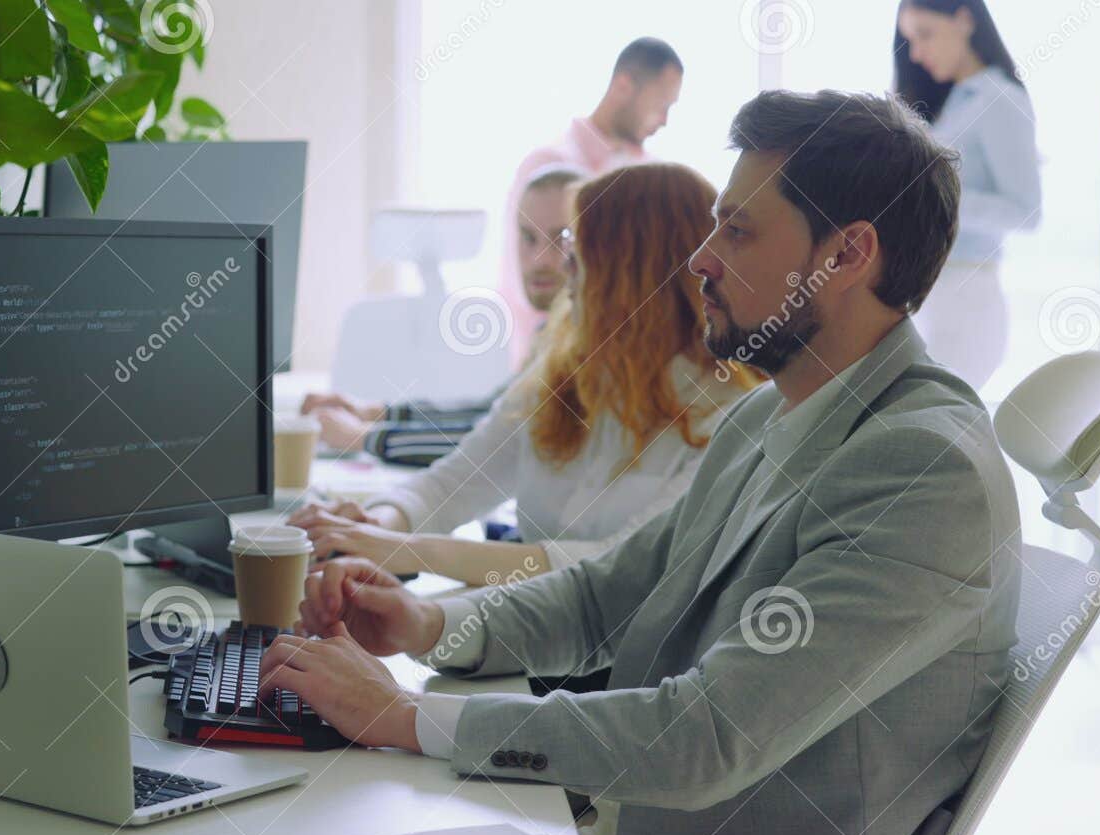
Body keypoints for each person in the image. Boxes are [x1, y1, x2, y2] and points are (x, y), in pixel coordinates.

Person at [259, 89, 1021, 835]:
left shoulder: (920, 469)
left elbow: (705, 736)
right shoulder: (771, 413)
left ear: (847, 255)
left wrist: (405, 719)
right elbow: (607, 597)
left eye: (737, 230)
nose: (700, 260)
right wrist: (427, 623)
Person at [289, 163, 759, 588]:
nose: (560, 268)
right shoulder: (565, 372)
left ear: (629, 277)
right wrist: (373, 525)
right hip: (524, 644)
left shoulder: (733, 418)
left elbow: (605, 567)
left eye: (575, 250)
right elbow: (451, 484)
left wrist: (401, 550)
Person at [303, 165, 589, 462]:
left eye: (561, 238)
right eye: (528, 237)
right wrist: (375, 412)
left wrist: (361, 438)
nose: (538, 260)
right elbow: (495, 411)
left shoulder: (586, 342)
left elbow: (499, 442)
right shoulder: (553, 333)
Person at [500, 37, 684, 348]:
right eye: (661, 105)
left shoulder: (651, 177)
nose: (664, 121)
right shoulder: (550, 164)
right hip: (554, 357)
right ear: (624, 86)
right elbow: (526, 275)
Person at [895, 0, 1040, 389]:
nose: (917, 52)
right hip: (931, 293)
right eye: (910, 40)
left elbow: (1027, 211)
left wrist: (932, 195)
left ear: (963, 20)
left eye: (925, 34)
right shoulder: (953, 101)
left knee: (935, 429)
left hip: (967, 299)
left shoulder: (998, 98)